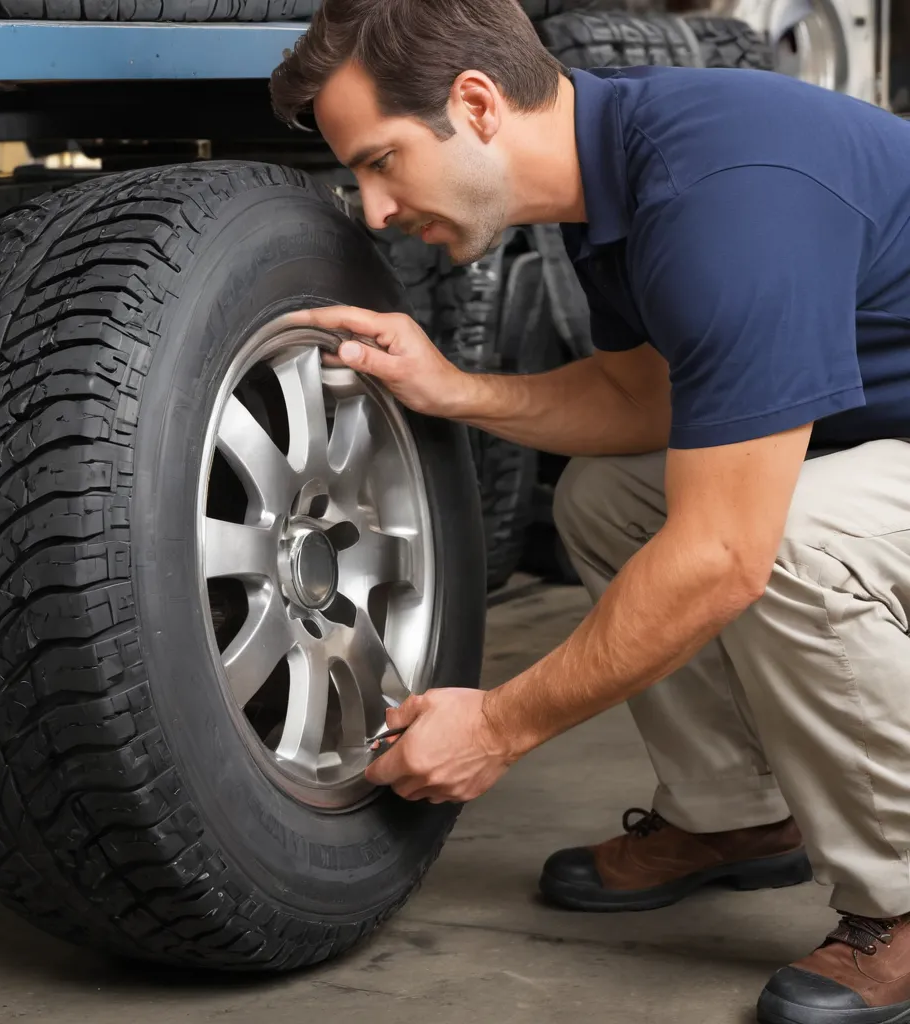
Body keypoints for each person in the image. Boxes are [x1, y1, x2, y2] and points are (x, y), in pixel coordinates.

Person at [269, 1, 910, 1020]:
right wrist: (455, 387)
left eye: (382, 161)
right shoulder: (614, 179)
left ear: (475, 104)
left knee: (785, 536)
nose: (374, 209)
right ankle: (732, 818)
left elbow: (724, 557)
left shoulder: (721, 195)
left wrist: (498, 727)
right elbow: (641, 400)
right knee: (607, 496)